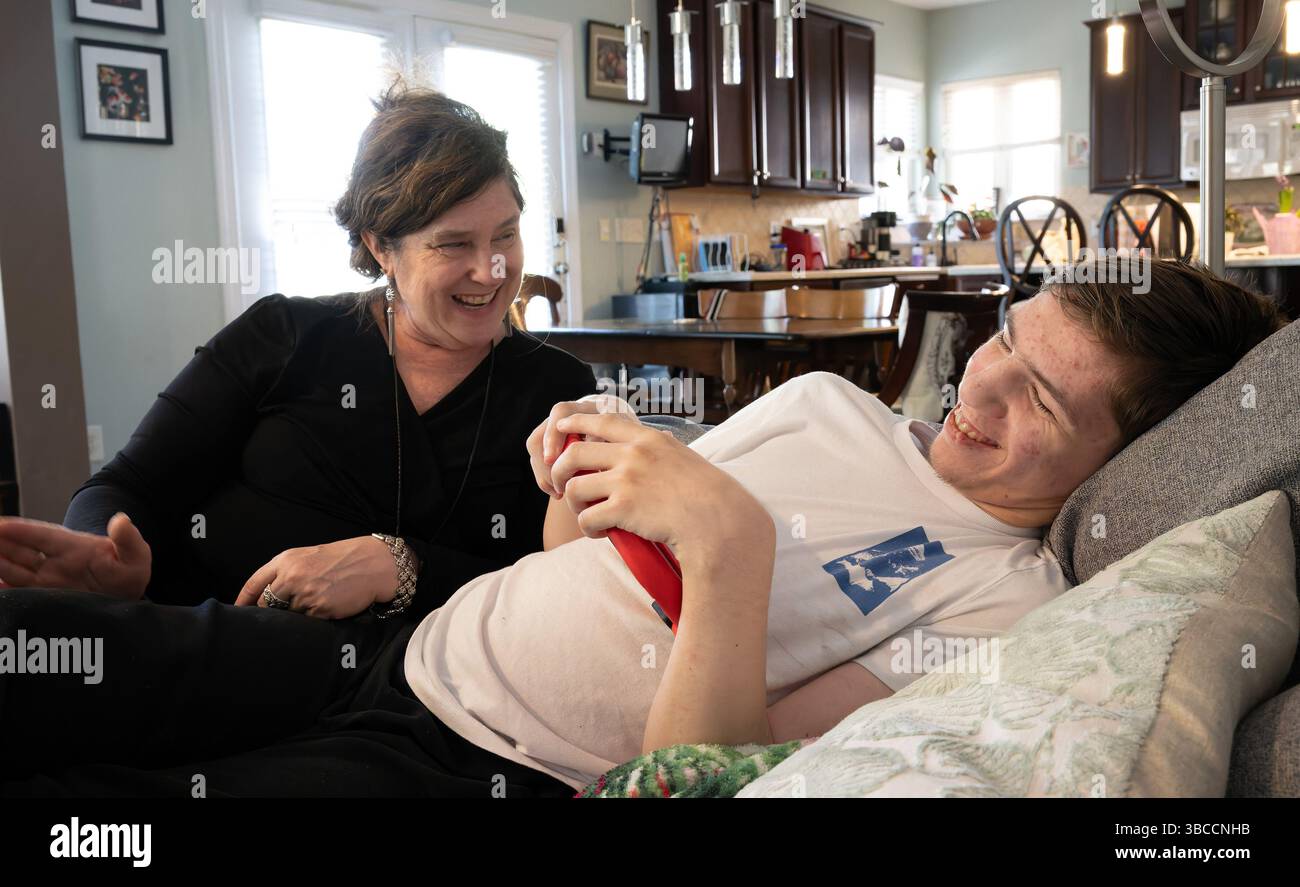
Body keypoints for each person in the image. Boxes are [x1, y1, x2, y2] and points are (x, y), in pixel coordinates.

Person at [0, 260, 1288, 797]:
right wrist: (576, 476)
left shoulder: (997, 602)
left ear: (1121, 458)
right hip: (413, 648)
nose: (979, 389)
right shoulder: (836, 403)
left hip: (489, 763)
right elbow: (571, 561)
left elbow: (690, 775)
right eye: (1001, 341)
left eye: (1042, 400)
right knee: (71, 656)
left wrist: (729, 547)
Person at [0, 84, 596, 620]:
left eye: (507, 235)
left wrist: (403, 567)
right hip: (199, 639)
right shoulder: (283, 334)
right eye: (454, 243)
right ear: (381, 248)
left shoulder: (557, 391)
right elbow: (127, 484)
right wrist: (106, 553)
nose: (490, 269)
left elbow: (559, 588)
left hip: (409, 693)